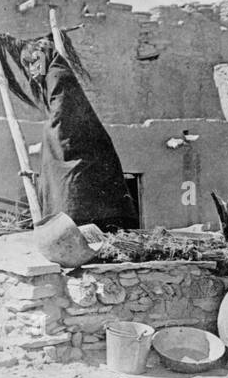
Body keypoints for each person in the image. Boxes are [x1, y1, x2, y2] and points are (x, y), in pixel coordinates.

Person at [19, 37, 139, 232]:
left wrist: (48, 139)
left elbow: (62, 118)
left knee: (71, 185)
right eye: (28, 65)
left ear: (44, 56)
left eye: (34, 62)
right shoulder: (53, 78)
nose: (31, 69)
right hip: (88, 149)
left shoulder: (58, 76)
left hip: (81, 151)